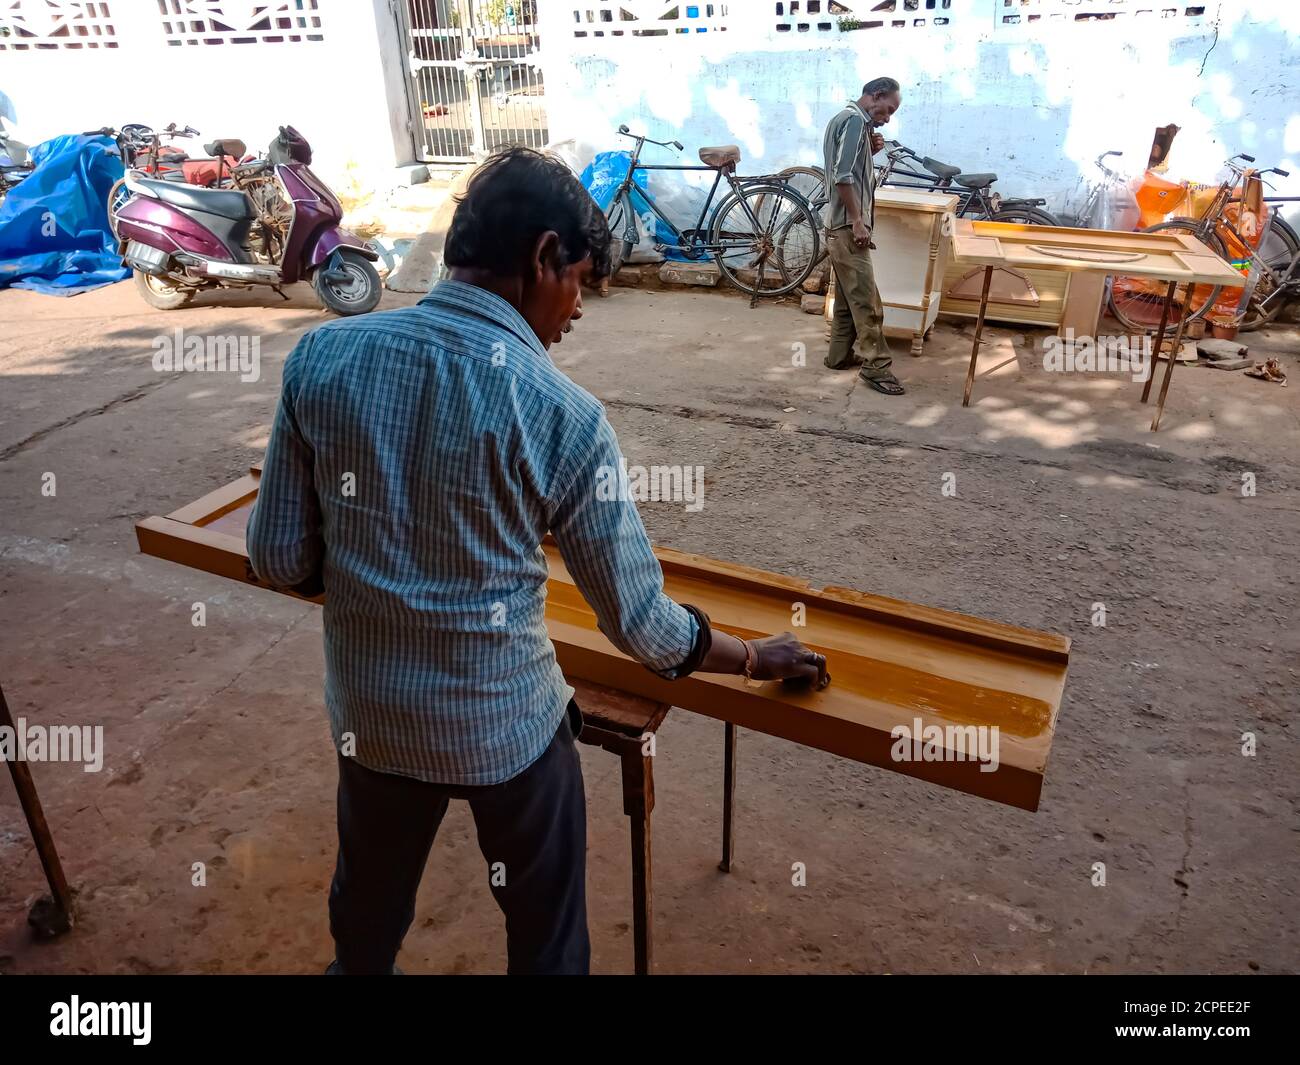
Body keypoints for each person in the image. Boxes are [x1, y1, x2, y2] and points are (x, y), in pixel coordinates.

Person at [246, 146, 829, 976]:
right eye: (581, 281)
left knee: (366, 928)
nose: (579, 310)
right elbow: (643, 627)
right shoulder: (563, 416)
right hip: (508, 733)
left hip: (371, 721)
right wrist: (750, 658)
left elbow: (275, 557)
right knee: (549, 945)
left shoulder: (322, 358)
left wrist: (376, 568)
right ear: (543, 256)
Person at [822, 76, 904, 395]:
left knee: (847, 299)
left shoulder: (844, 118)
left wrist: (869, 150)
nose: (887, 117)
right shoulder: (856, 120)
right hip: (846, 226)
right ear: (876, 96)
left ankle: (838, 357)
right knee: (868, 303)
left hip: (836, 225)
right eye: (888, 109)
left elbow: (847, 168)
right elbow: (842, 177)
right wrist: (858, 221)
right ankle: (876, 368)